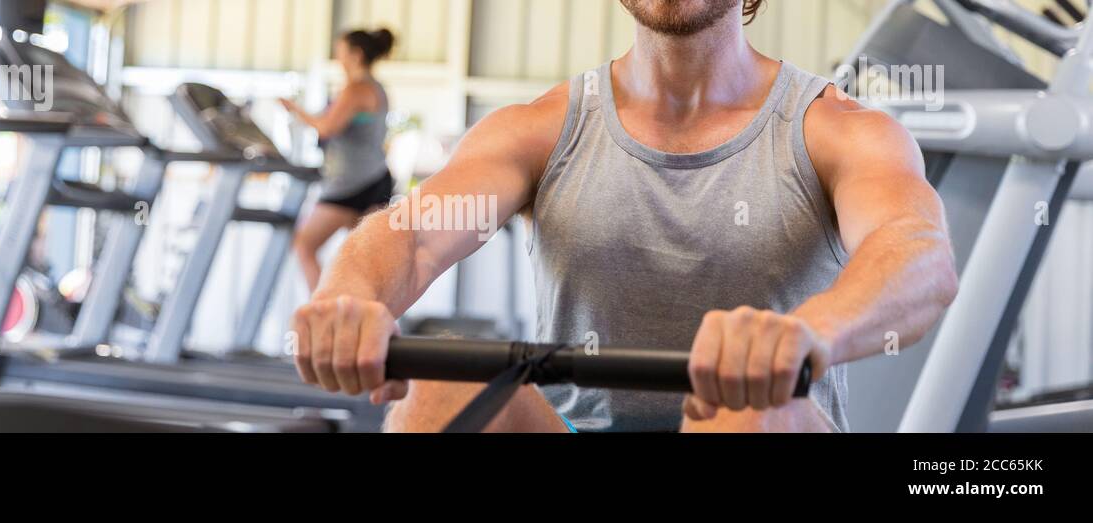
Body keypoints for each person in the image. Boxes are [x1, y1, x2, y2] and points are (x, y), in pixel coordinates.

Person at [289, 0, 959, 433]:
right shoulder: (543, 127)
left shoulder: (837, 130)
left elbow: (917, 250)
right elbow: (411, 236)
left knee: (742, 409)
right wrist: (349, 296)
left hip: (765, 426)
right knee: (441, 391)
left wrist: (812, 332)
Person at [280, 28, 396, 292]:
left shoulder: (357, 88)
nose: (337, 58)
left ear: (356, 55)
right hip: (375, 177)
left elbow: (326, 128)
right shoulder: (376, 88)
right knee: (363, 260)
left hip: (351, 184)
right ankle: (362, 313)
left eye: (340, 52)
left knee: (304, 245)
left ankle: (324, 311)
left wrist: (295, 109)